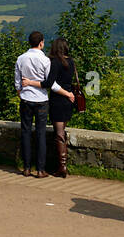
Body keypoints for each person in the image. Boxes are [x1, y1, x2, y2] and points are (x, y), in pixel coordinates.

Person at [22, 37, 78, 177]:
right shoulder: (71, 62)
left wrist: (30, 82)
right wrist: (69, 94)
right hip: (69, 100)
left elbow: (48, 84)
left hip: (58, 100)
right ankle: (61, 165)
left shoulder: (55, 62)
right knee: (62, 132)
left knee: (59, 134)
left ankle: (62, 167)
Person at [14, 31, 51, 177]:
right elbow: (48, 82)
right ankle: (41, 169)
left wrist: (21, 92)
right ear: (41, 42)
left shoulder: (21, 58)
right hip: (41, 99)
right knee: (41, 134)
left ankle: (26, 167)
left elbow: (17, 82)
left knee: (26, 132)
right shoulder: (45, 60)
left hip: (26, 98)